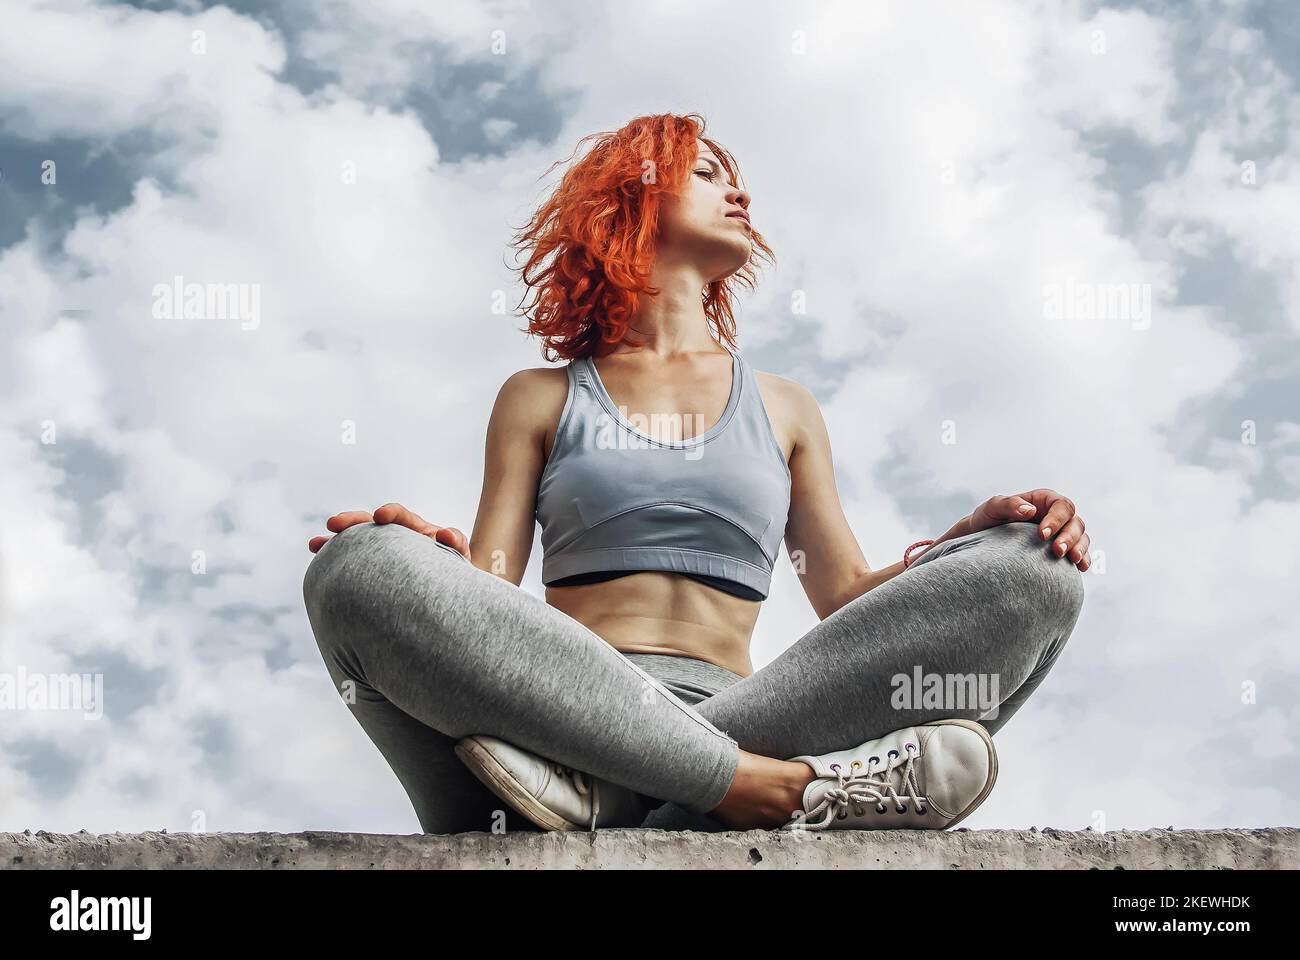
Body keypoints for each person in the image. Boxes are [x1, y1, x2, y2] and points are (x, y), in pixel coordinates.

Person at [302, 113, 1089, 835]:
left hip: (751, 714)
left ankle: (640, 795)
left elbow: (844, 595)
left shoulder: (787, 408)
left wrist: (959, 546)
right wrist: (431, 563)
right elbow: (494, 587)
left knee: (1035, 569)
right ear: (631, 198)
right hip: (543, 736)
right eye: (706, 171)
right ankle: (775, 793)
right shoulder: (539, 396)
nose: (736, 190)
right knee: (359, 567)